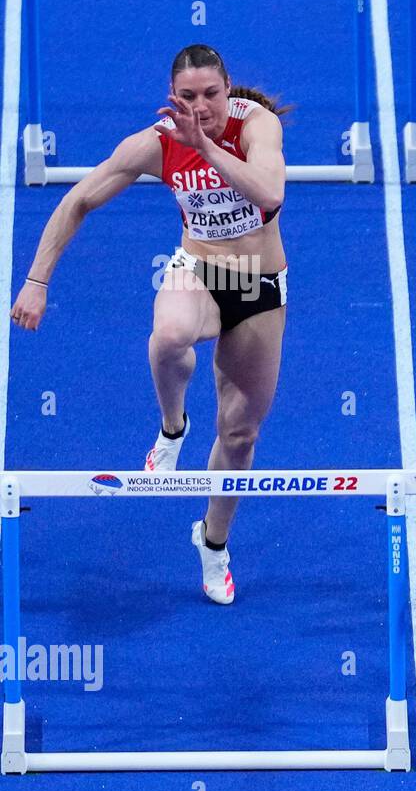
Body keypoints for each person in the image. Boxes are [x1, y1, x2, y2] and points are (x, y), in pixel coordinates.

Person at [11, 44, 291, 605]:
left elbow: (269, 193)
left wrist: (205, 145)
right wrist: (37, 281)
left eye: (211, 93)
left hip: (257, 285)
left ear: (228, 88)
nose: (201, 105)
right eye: (187, 96)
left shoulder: (253, 125)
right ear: (172, 97)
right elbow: (79, 199)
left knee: (239, 435)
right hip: (200, 270)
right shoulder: (156, 143)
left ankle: (212, 544)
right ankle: (172, 427)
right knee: (168, 336)